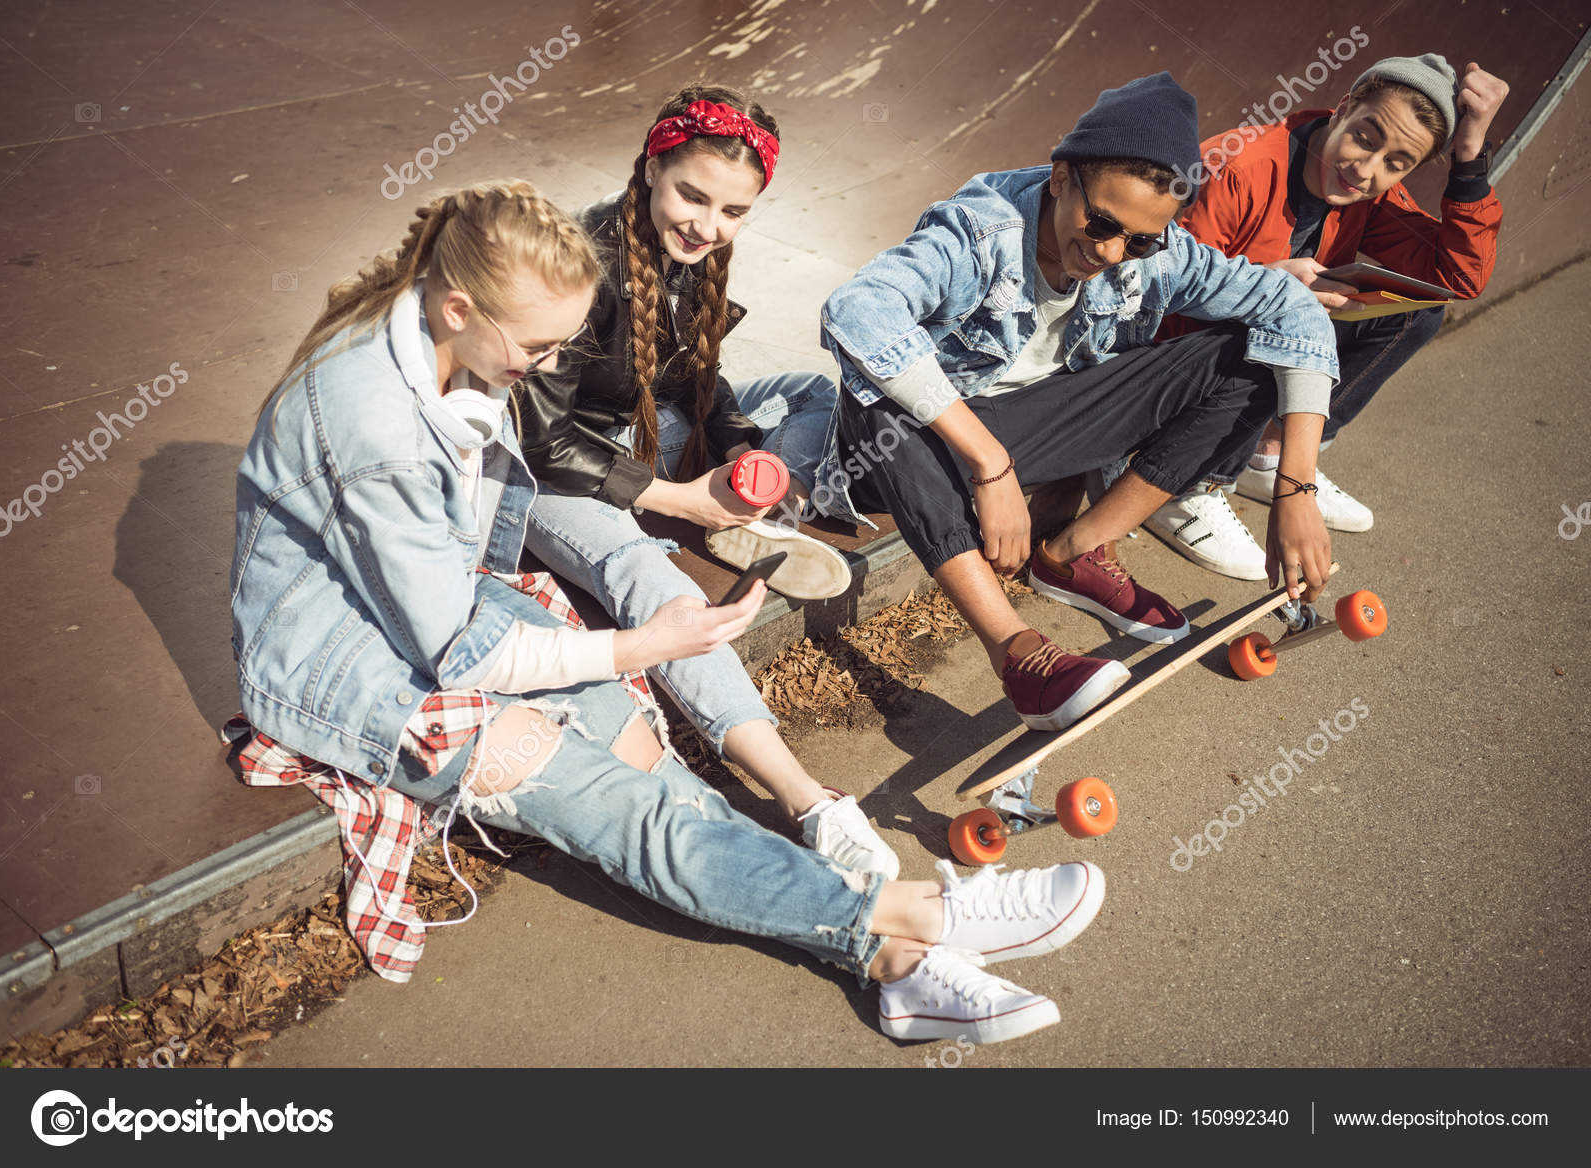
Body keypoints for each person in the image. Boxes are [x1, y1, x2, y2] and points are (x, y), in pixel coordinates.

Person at [228, 179, 1105, 1044]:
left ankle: (896, 967)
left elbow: (449, 580)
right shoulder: (376, 423)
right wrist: (640, 644)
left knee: (642, 756)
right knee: (619, 808)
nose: (543, 369)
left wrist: (634, 638)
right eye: (538, 347)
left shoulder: (441, 339)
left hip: (436, 604)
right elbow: (462, 655)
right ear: (459, 308)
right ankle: (918, 913)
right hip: (346, 667)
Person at [819, 73, 1338, 733]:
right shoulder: (981, 230)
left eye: (1142, 240)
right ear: (1062, 177)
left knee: (1246, 355)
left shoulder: (1157, 255)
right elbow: (857, 311)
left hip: (1036, 435)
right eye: (1103, 225)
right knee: (876, 391)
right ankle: (1017, 654)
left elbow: (1294, 310)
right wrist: (989, 463)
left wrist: (1297, 488)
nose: (1112, 254)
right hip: (914, 455)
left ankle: (1072, 551)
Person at [510, 84, 899, 878]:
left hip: (649, 427)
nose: (707, 225)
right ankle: (809, 801)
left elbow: (700, 379)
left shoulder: (693, 252)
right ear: (653, 165)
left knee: (818, 393)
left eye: (733, 212)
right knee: (638, 569)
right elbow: (540, 436)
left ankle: (756, 513)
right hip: (551, 466)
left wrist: (741, 456)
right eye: (692, 195)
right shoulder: (582, 261)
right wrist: (680, 497)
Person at [1144, 55, 1508, 578]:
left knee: (1415, 311)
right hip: (1161, 362)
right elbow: (1153, 290)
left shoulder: (1370, 194)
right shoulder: (1240, 166)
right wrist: (1266, 286)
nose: (1366, 168)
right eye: (1366, 136)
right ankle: (1179, 484)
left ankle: (1269, 456)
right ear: (1343, 109)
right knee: (1281, 325)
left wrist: (1470, 159)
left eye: (1397, 162)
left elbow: (1456, 278)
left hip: (1241, 346)